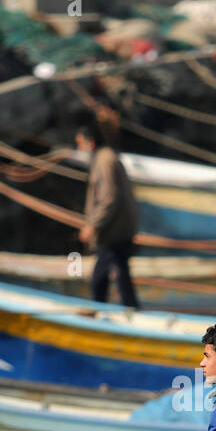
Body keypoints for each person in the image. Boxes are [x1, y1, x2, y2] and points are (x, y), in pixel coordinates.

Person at [75, 118, 140, 308]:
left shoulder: (104, 160)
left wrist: (92, 226)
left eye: (80, 143)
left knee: (99, 278)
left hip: (115, 231)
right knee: (122, 276)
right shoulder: (105, 157)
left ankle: (98, 313)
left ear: (91, 142)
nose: (79, 148)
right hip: (120, 228)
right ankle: (131, 309)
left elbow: (108, 199)